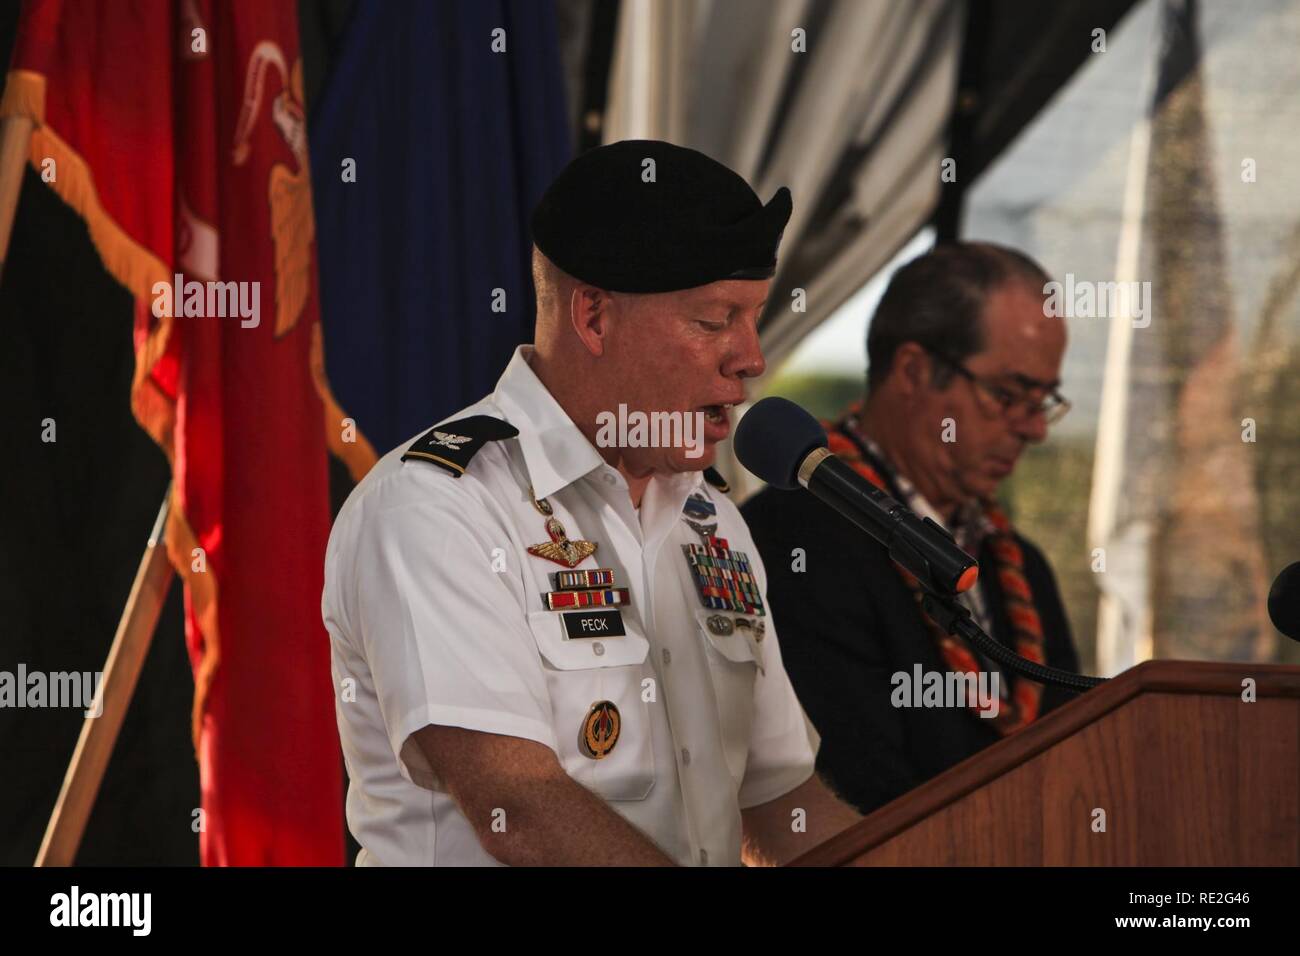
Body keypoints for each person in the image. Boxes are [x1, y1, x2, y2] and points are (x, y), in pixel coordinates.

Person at [323, 140, 860, 866]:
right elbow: (520, 810)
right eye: (715, 321)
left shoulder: (712, 522)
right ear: (594, 318)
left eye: (754, 317)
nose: (752, 357)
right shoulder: (437, 507)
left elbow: (780, 804)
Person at [742, 242, 1082, 816]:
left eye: (1043, 401)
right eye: (1008, 395)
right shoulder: (792, 538)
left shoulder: (1021, 565)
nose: (1035, 430)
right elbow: (846, 783)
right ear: (913, 372)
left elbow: (1080, 748)